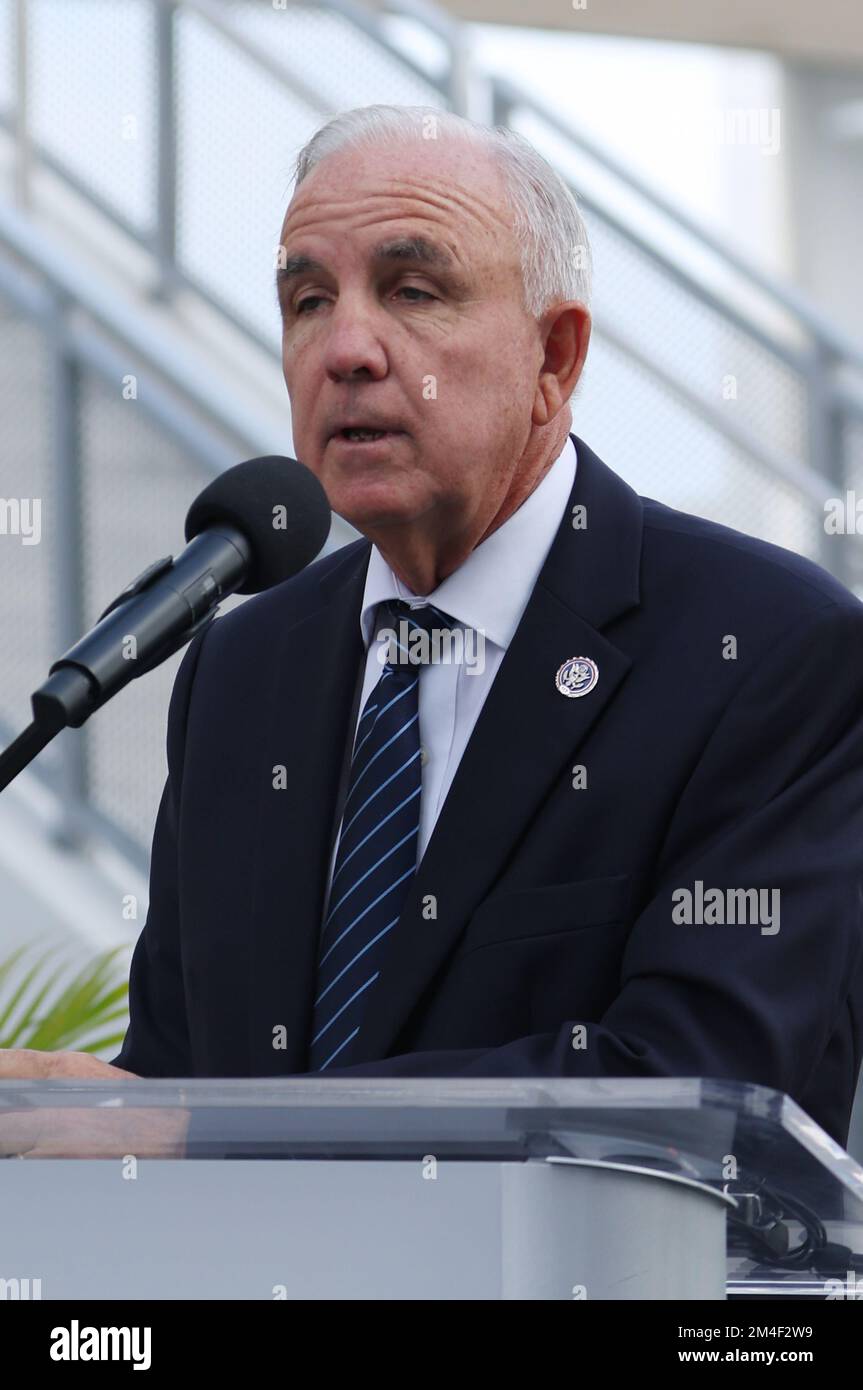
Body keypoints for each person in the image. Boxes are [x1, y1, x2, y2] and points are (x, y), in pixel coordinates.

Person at [3, 105, 862, 1153]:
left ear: (554, 357)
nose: (347, 347)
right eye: (306, 300)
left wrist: (204, 1131)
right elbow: (181, 1076)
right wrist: (75, 1113)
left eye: (413, 291)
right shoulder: (239, 665)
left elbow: (692, 1084)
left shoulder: (769, 653)